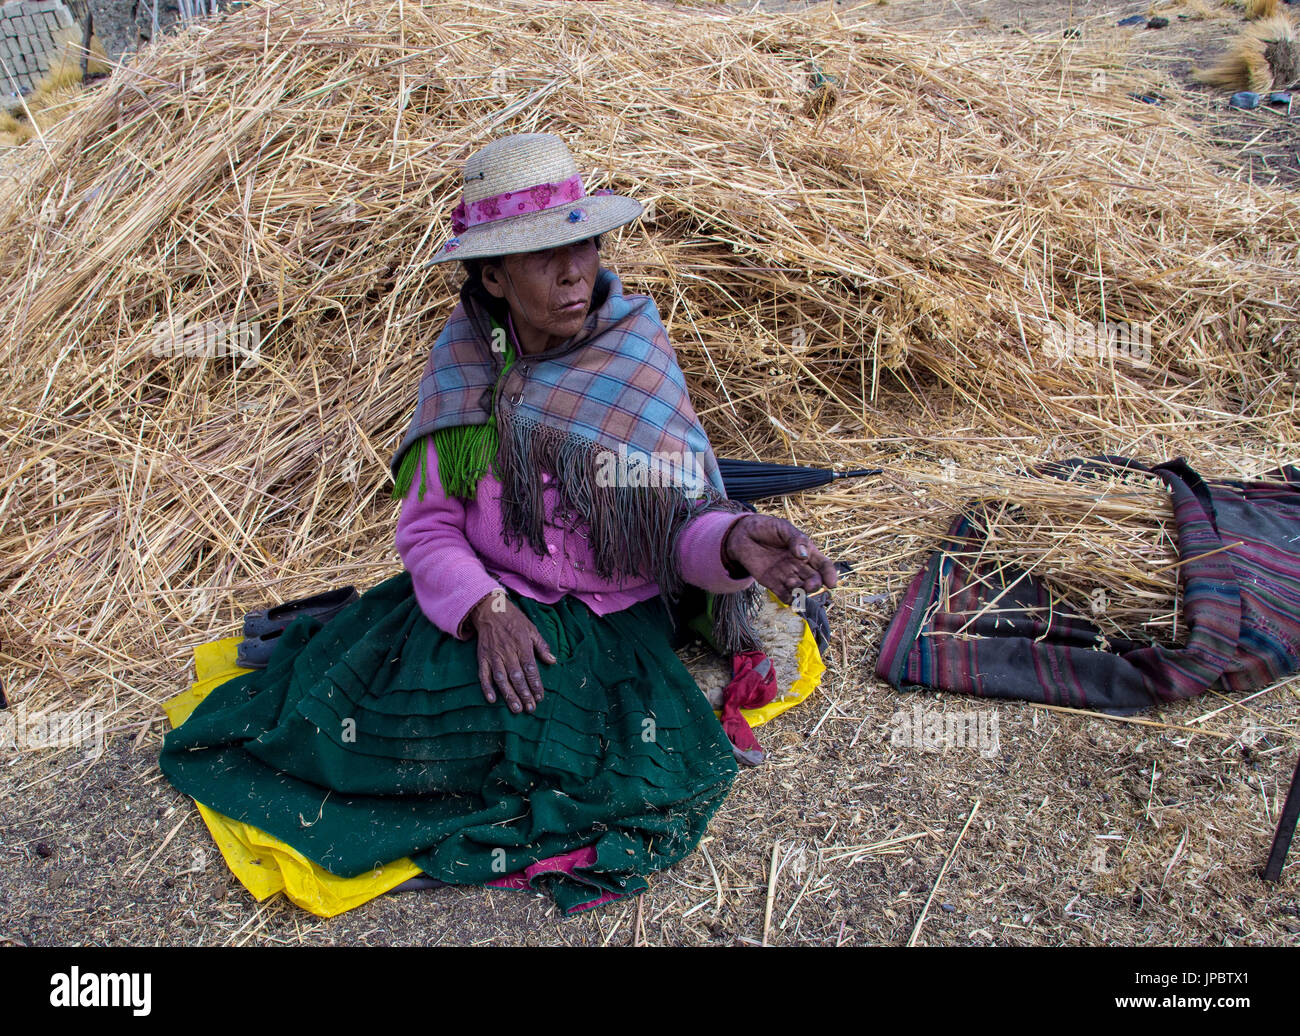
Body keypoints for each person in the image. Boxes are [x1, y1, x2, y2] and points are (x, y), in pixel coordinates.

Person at [159, 133, 836, 915]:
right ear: (492, 275)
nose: (574, 270)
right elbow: (428, 529)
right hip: (489, 594)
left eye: (582, 243)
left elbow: (677, 527)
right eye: (544, 254)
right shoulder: (466, 367)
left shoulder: (634, 358)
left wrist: (734, 543)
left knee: (562, 744)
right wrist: (486, 608)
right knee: (362, 719)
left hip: (607, 620)